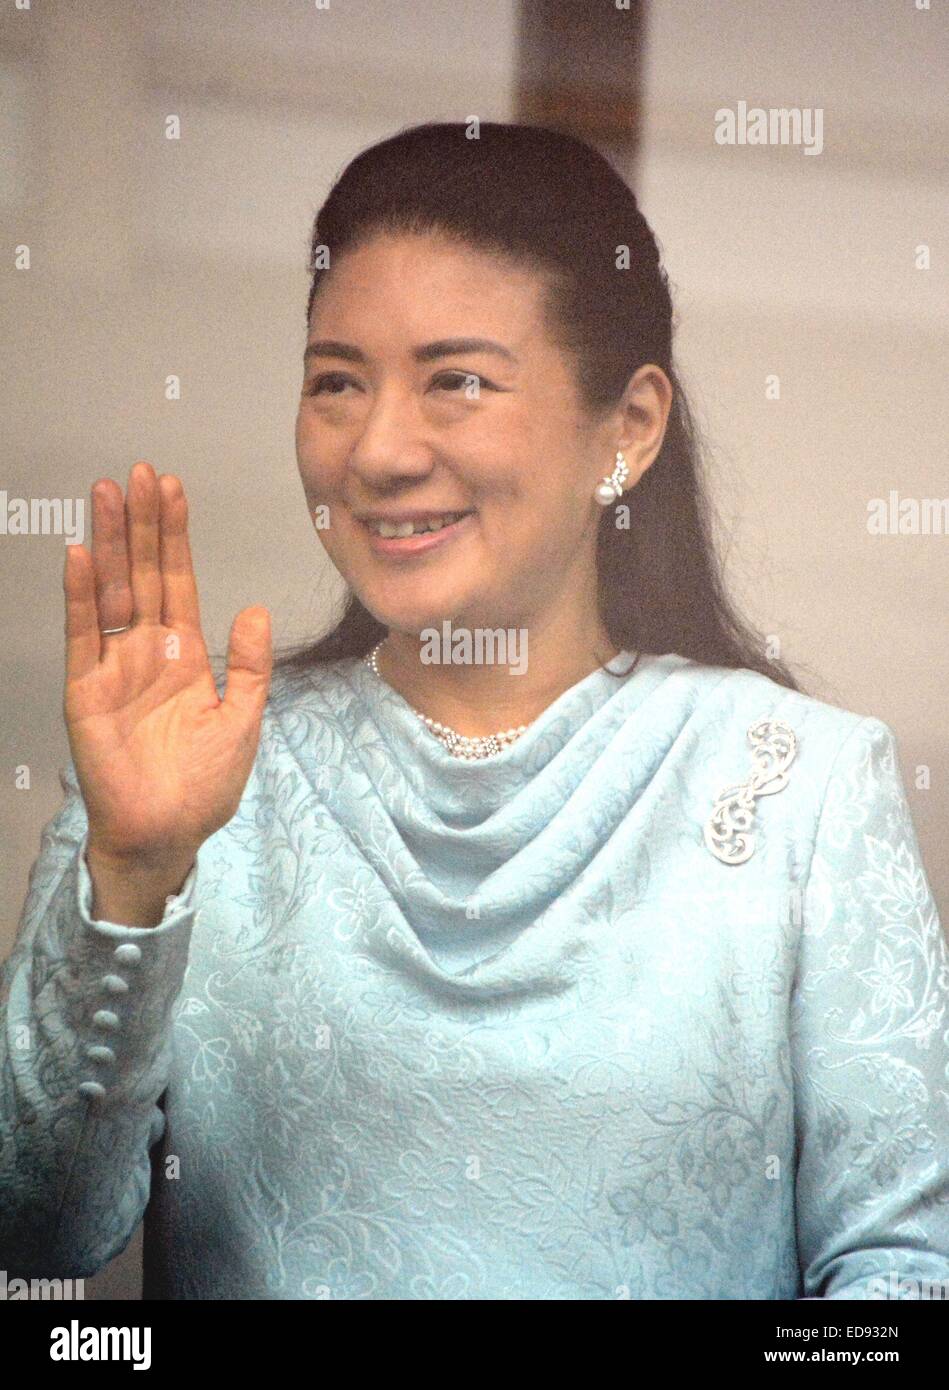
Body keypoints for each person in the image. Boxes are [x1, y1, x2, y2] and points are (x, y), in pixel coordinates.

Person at [2, 121, 948, 1301]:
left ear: (629, 431)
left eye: (457, 380)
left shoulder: (803, 783)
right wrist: (132, 877)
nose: (381, 450)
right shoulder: (198, 777)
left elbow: (904, 1275)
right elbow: (36, 1237)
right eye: (337, 382)